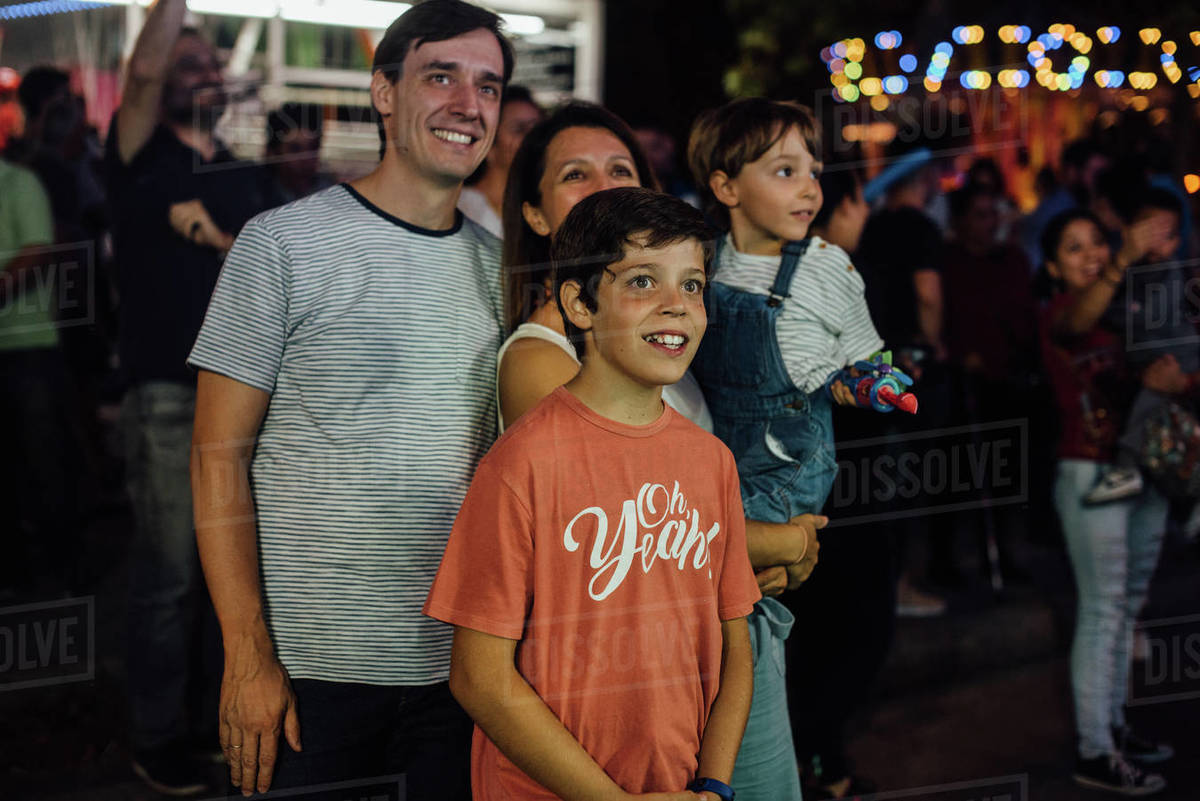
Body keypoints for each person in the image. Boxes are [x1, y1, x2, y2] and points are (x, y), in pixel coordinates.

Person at [187, 2, 513, 798]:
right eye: (442, 77)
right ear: (383, 92)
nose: (469, 105)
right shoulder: (282, 243)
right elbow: (215, 456)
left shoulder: (507, 273)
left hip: (461, 673)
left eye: (490, 87)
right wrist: (247, 653)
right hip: (307, 677)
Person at [426, 186, 759, 801]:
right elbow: (479, 678)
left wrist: (714, 784)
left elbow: (735, 644)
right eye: (641, 282)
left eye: (691, 285)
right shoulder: (522, 462)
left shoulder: (712, 463)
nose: (676, 306)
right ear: (579, 304)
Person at [686, 97, 883, 799]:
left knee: (753, 628)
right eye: (784, 169)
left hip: (778, 478)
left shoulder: (823, 267)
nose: (809, 186)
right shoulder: (697, 267)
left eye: (812, 169)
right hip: (708, 494)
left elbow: (853, 357)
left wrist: (865, 380)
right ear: (725, 185)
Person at [105, 0, 272, 792]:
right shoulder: (141, 156)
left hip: (245, 402)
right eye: (185, 65)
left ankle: (214, 722)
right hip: (169, 393)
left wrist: (217, 237)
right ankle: (158, 733)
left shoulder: (242, 174)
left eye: (209, 64)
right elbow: (139, 71)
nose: (199, 73)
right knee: (169, 574)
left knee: (227, 574)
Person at [1039, 209, 1175, 796]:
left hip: (1147, 470)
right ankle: (1095, 751)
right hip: (1089, 474)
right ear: (1052, 267)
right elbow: (1076, 323)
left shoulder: (1130, 309)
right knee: (1101, 609)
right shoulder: (1059, 316)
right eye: (1075, 249)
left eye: (1097, 242)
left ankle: (1115, 726)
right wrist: (1122, 260)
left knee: (1127, 605)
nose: (1092, 253)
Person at [1084, 187, 1194, 505]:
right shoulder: (1128, 269)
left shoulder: (1169, 274)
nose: (1153, 242)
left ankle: (1126, 467)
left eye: (1164, 235)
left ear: (1176, 242)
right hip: (1151, 360)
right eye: (1146, 232)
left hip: (1174, 360)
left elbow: (1140, 318)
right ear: (1128, 230)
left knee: (1152, 399)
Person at [458, 84, 542, 237]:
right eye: (520, 129)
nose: (534, 139)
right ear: (488, 145)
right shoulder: (461, 208)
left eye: (538, 129)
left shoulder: (542, 207)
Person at [260, 102, 332, 207]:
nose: (306, 159)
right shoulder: (255, 197)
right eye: (295, 149)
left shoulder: (329, 195)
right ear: (273, 153)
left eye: (313, 147)